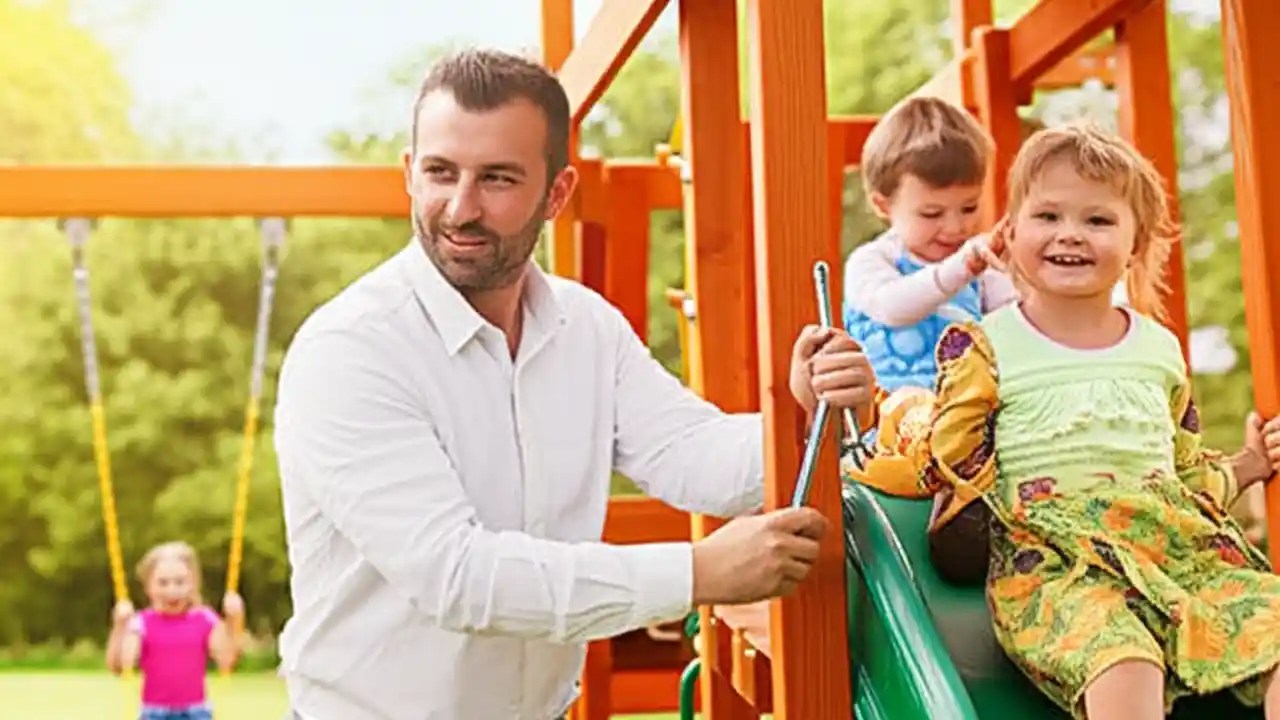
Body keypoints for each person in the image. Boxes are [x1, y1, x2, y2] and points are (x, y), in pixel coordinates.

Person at [271, 47, 877, 720]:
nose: (460, 208)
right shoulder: (349, 351)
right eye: (441, 173)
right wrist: (698, 572)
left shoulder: (586, 327)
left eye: (497, 179)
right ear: (410, 174)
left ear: (556, 192)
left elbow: (690, 452)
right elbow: (458, 578)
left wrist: (804, 415)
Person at [867, 122, 1280, 719]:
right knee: (1123, 660)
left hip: (1176, 554)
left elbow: (1184, 473)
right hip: (1058, 570)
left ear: (1136, 244)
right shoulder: (987, 348)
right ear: (1009, 232)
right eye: (1048, 216)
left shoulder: (1158, 350)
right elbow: (948, 462)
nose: (1070, 235)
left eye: (1098, 220)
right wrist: (913, 424)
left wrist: (1248, 465)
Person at [842, 95, 1016, 393]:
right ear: (883, 205)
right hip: (888, 420)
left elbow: (1022, 313)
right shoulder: (872, 261)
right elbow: (892, 307)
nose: (955, 226)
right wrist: (959, 269)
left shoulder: (979, 273)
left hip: (964, 418)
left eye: (969, 207)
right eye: (932, 213)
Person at [105, 541, 245, 720]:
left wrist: (235, 620)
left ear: (193, 584)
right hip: (154, 713)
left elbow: (227, 660)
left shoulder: (205, 619)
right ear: (148, 586)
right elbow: (119, 666)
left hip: (196, 712)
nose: (172, 590)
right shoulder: (141, 623)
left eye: (180, 582)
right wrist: (120, 626)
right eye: (163, 583)